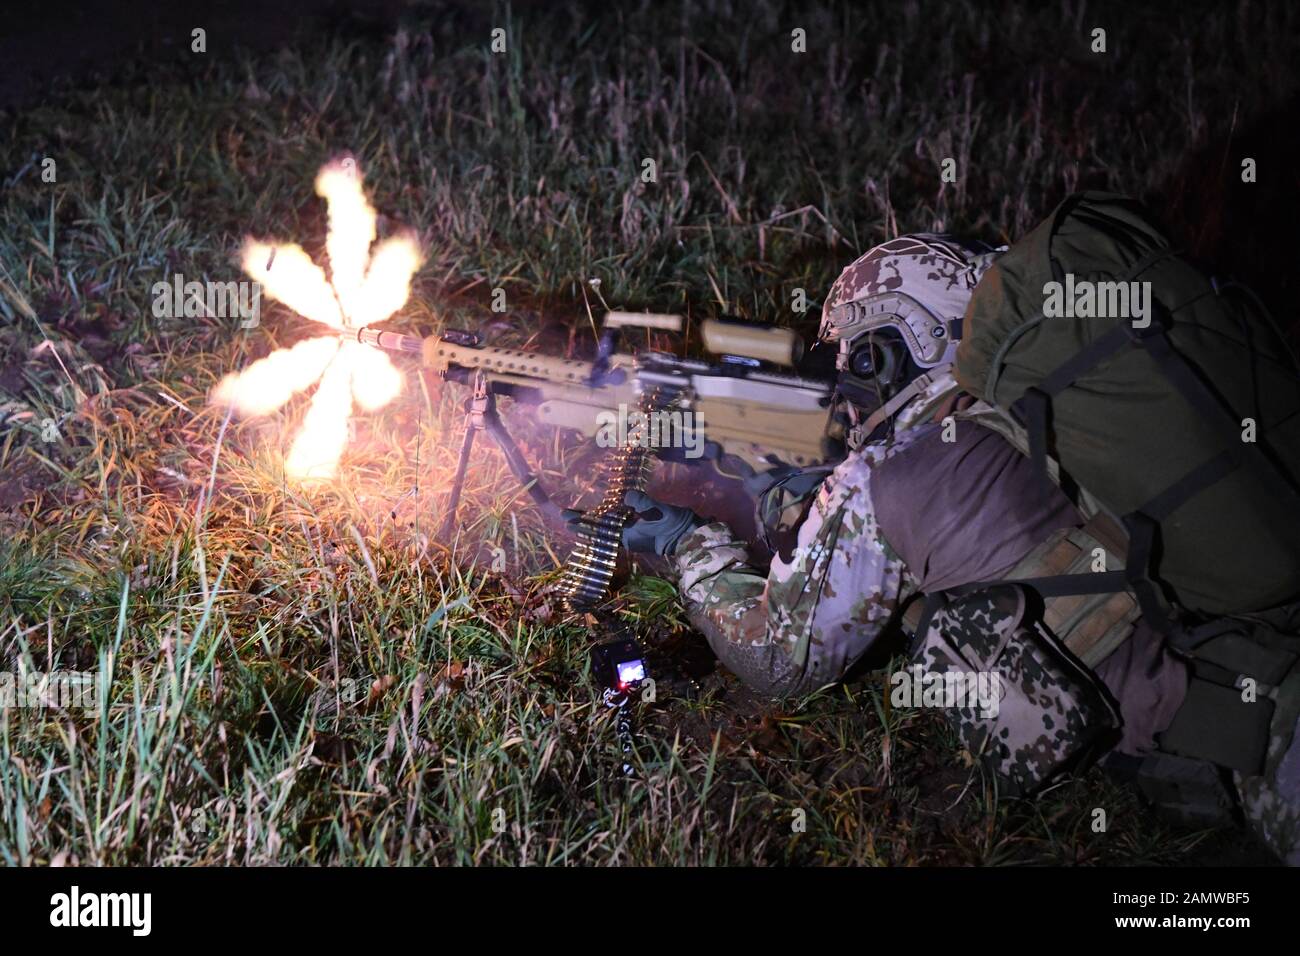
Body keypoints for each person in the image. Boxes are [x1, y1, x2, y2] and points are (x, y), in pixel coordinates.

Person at [621, 233, 1300, 863]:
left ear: (886, 350)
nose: (846, 397)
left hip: (1264, 742)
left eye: (852, 361)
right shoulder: (1058, 407)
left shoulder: (896, 471)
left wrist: (690, 545)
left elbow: (778, 657)